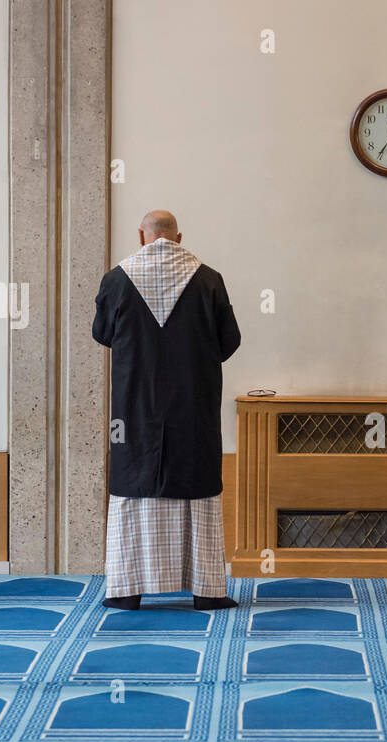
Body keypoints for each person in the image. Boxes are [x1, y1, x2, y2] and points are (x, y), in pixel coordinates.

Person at [93, 209, 241, 611]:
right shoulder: (209, 279)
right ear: (179, 237)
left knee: (132, 485)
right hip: (193, 407)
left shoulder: (116, 279)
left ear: (142, 237)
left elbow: (100, 333)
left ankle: (126, 590)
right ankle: (207, 591)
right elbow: (230, 342)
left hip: (132, 408)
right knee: (197, 488)